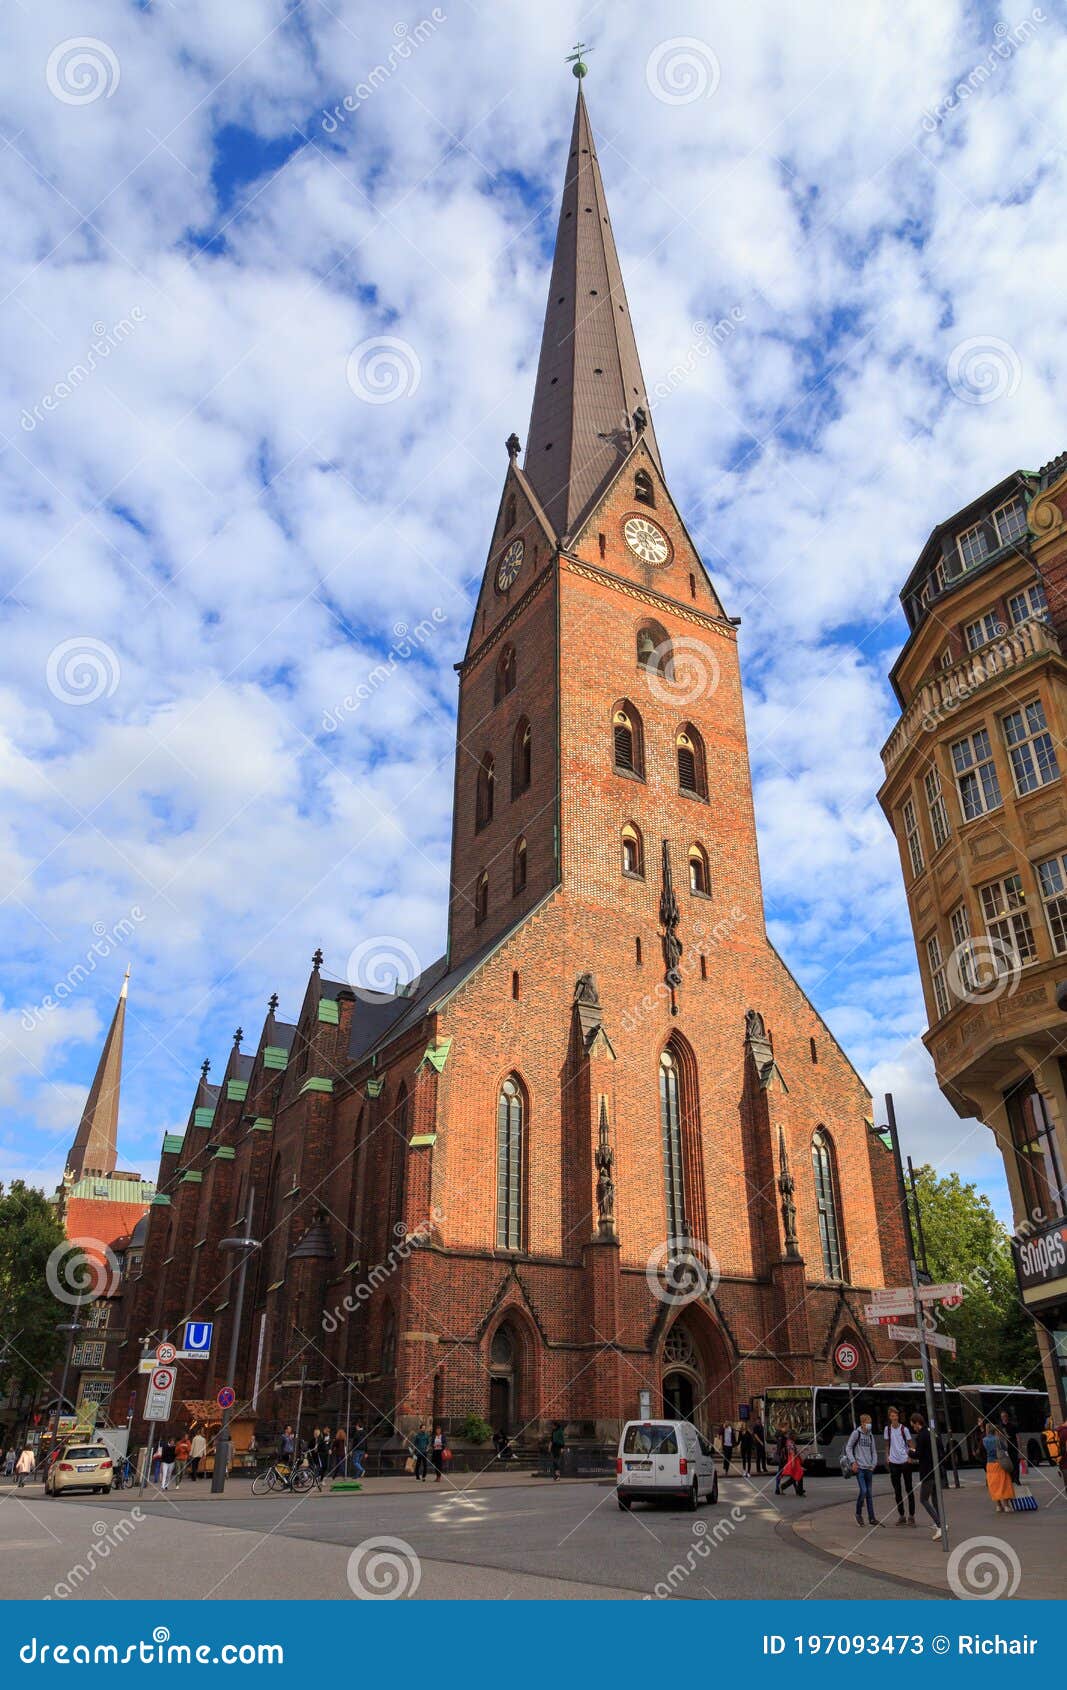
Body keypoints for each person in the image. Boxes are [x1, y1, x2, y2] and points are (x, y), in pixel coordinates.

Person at [908, 1412, 942, 1540]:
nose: (913, 1428)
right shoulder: (932, 1431)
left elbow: (919, 1454)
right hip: (936, 1469)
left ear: (917, 1423)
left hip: (927, 1470)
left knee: (923, 1499)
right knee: (935, 1498)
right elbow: (940, 1446)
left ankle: (939, 1525)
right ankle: (941, 1521)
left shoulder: (921, 1436)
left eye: (913, 1426)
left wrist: (910, 1453)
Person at [845, 1412, 881, 1527]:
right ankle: (858, 1514)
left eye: (870, 1423)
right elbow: (848, 1447)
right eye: (867, 1423)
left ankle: (872, 1518)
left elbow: (874, 1451)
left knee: (869, 1494)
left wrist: (873, 1464)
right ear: (862, 1423)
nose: (869, 1425)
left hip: (869, 1467)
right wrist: (853, 1462)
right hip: (859, 1467)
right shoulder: (856, 1433)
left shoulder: (871, 1435)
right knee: (864, 1491)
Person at [884, 1406, 915, 1528]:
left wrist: (910, 1456)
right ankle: (901, 1515)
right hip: (893, 1461)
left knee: (909, 1488)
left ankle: (911, 1515)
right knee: (897, 1490)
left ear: (898, 1416)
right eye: (892, 1416)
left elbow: (910, 1443)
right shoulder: (888, 1429)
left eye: (896, 1415)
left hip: (904, 1461)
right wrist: (887, 1456)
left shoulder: (904, 1429)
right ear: (889, 1417)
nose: (894, 1417)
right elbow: (887, 1444)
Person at [979, 1416, 1015, 1513]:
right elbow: (1005, 1448)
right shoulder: (998, 1439)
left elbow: (982, 1450)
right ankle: (1006, 1505)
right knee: (1004, 1483)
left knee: (993, 1484)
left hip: (989, 1464)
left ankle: (998, 1506)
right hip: (999, 1463)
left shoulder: (984, 1440)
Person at [777, 1432, 805, 1498]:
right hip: (793, 1461)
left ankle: (783, 1486)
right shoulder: (790, 1443)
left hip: (795, 1460)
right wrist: (792, 1463)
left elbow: (796, 1452)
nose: (796, 1437)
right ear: (792, 1436)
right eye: (795, 1436)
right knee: (799, 1474)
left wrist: (800, 1458)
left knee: (795, 1476)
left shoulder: (790, 1442)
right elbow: (792, 1453)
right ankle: (800, 1491)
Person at [998, 1408, 1021, 1485]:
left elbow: (1017, 1436)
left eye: (1005, 1416)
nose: (1003, 1418)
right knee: (1008, 1464)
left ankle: (1017, 1479)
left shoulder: (1013, 1425)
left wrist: (1019, 1447)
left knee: (1015, 1463)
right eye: (1002, 1416)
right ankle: (1011, 1479)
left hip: (1013, 1446)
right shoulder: (999, 1427)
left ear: (1007, 1417)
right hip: (1005, 1448)